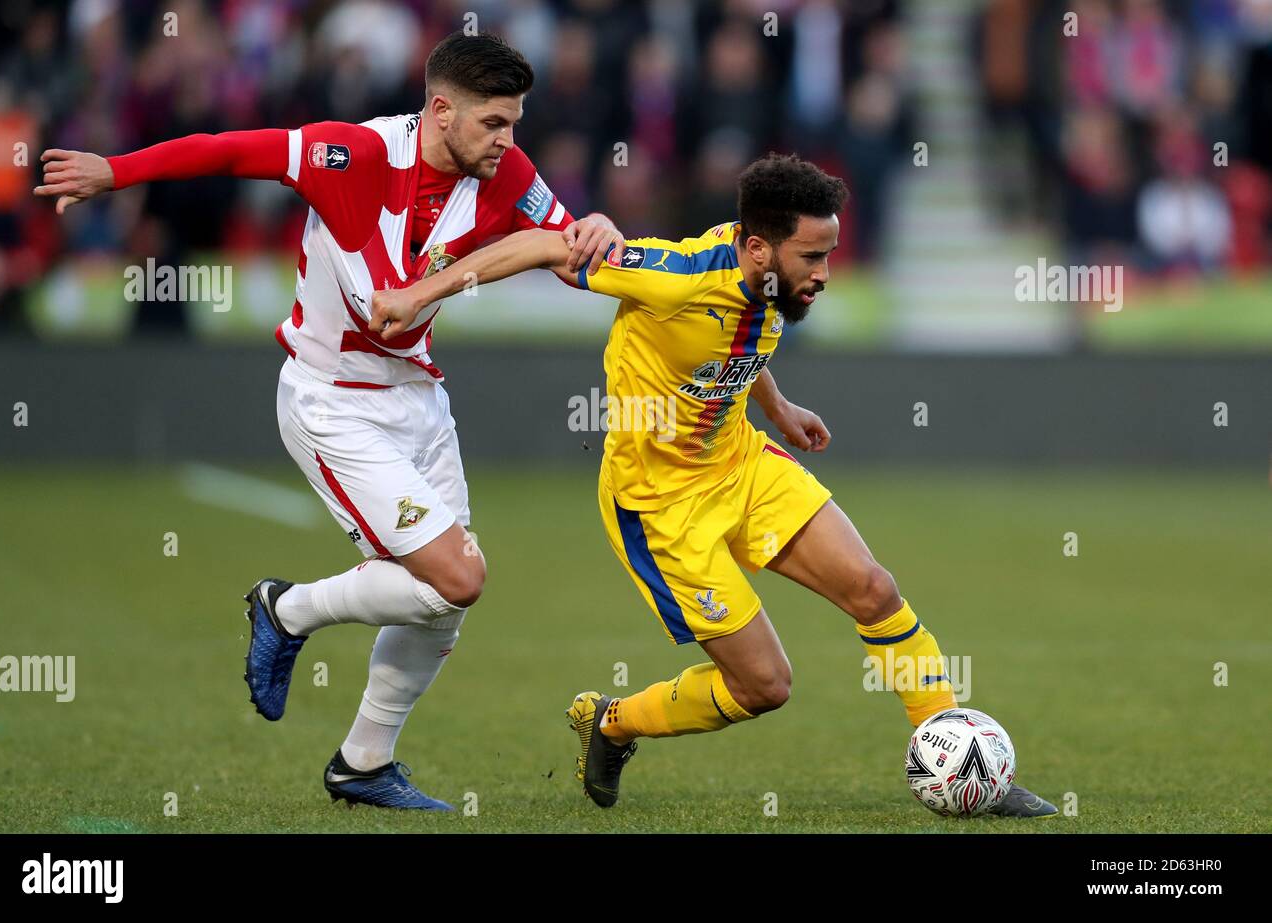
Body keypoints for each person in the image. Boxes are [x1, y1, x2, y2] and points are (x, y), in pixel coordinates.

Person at [34, 31, 622, 812]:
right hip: (331, 398)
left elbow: (567, 243)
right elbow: (229, 149)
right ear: (441, 110)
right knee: (459, 576)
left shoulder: (505, 171)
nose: (509, 142)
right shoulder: (352, 155)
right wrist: (117, 171)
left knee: (445, 603)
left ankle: (363, 761)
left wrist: (599, 235)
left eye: (515, 122)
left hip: (419, 396)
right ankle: (288, 608)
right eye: (494, 123)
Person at [370, 152, 1057, 818]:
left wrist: (779, 408)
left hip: (740, 464)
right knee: (764, 686)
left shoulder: (765, 281)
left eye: (828, 255)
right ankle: (611, 722)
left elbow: (735, 342)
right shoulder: (673, 274)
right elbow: (542, 247)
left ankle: (968, 769)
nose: (824, 273)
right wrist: (417, 294)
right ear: (758, 248)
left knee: (875, 590)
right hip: (662, 503)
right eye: (813, 257)